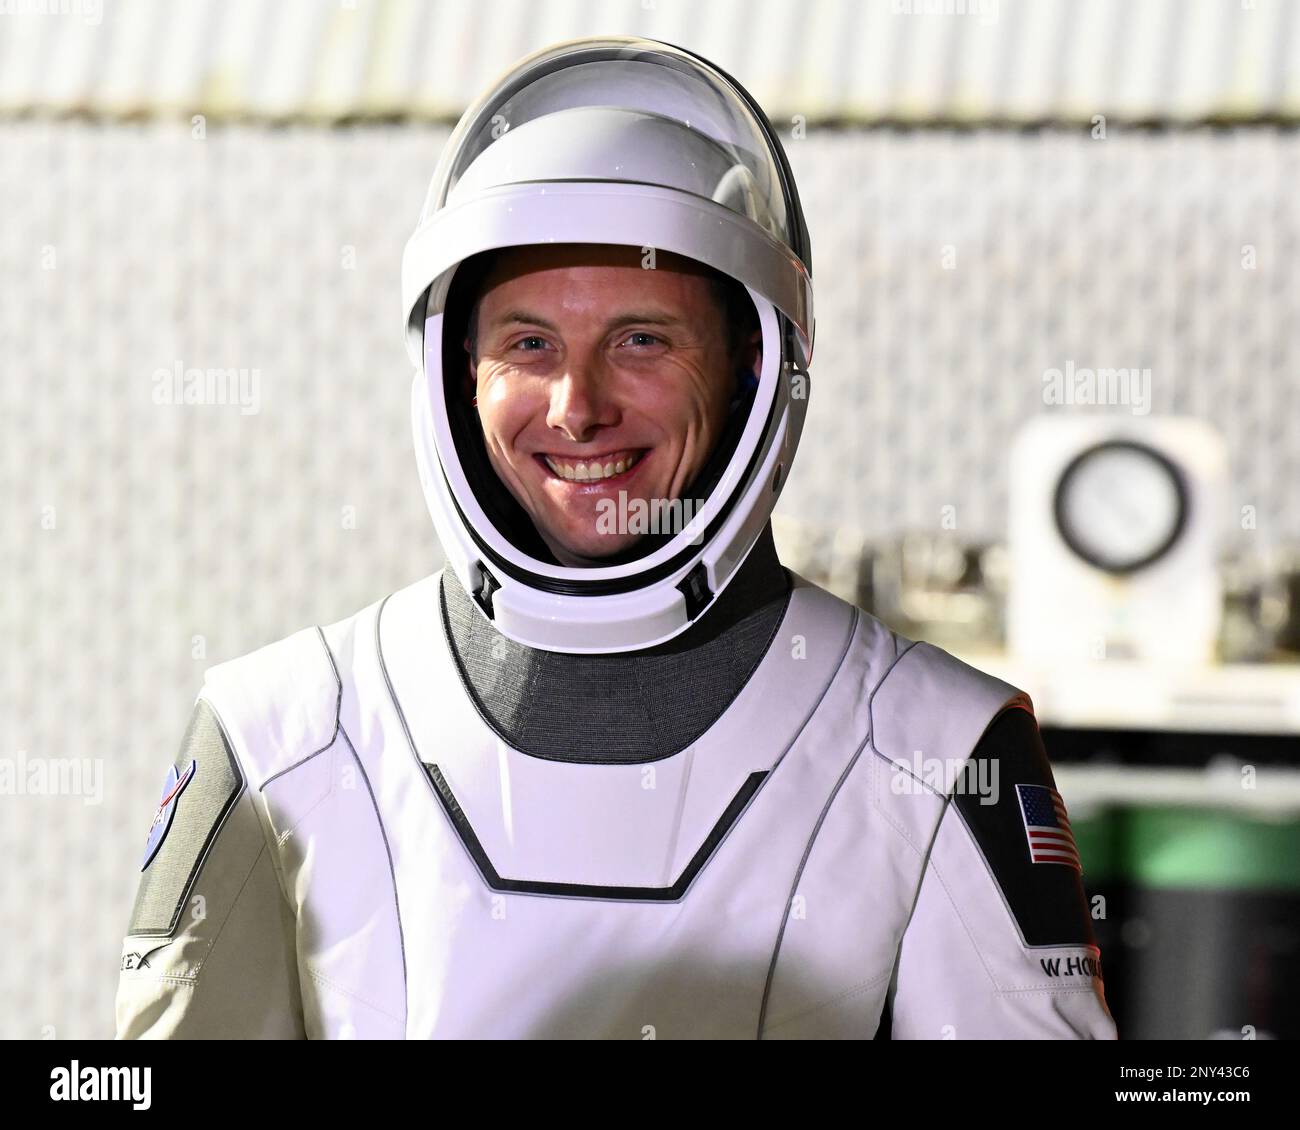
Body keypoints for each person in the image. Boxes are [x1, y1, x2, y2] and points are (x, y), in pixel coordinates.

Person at [114, 35, 1116, 1039]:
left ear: (752, 369)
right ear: (457, 375)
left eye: (642, 338)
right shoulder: (280, 736)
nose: (576, 406)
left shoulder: (938, 753)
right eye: (527, 343)